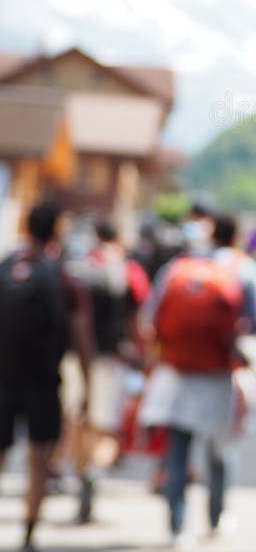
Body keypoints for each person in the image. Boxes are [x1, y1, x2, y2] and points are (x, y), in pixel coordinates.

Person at [0, 201, 93, 552]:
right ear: (57, 230)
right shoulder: (62, 277)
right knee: (39, 459)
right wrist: (87, 383)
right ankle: (27, 531)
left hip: (3, 379)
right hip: (42, 381)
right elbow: (82, 335)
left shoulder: (7, 267)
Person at [139, 245, 246, 547]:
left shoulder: (171, 275)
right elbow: (255, 325)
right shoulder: (228, 276)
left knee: (177, 454)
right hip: (215, 380)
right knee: (219, 454)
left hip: (177, 377)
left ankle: (176, 528)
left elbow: (151, 321)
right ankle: (216, 517)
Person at [63, 219, 129, 524]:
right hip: (106, 359)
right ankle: (93, 473)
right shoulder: (124, 269)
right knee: (103, 424)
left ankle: (79, 471)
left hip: (73, 358)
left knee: (77, 419)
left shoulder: (75, 268)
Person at [212, 213, 256, 337]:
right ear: (235, 238)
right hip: (235, 345)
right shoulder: (250, 269)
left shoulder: (191, 265)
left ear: (212, 237)